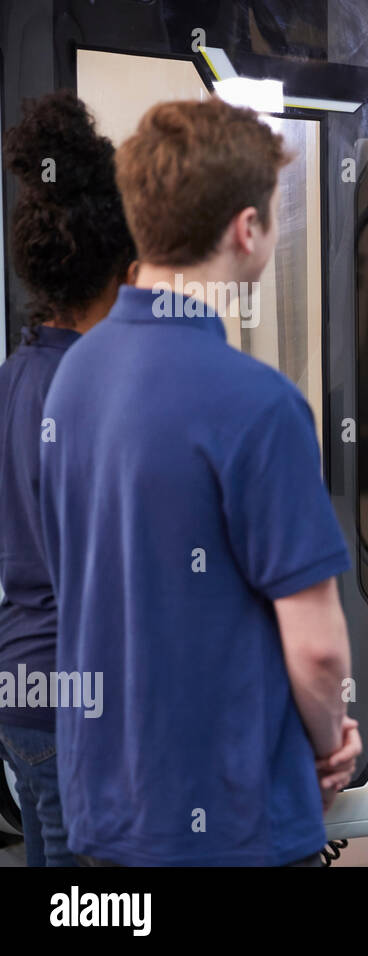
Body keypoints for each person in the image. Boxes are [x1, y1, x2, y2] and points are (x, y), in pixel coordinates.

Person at [40, 97, 360, 866]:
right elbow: (317, 651)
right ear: (246, 230)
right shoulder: (261, 405)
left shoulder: (72, 377)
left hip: (105, 807)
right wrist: (332, 743)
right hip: (230, 817)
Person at [0, 91, 136, 867]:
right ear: (122, 268)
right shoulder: (94, 393)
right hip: (77, 703)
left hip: (21, 696)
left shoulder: (13, 378)